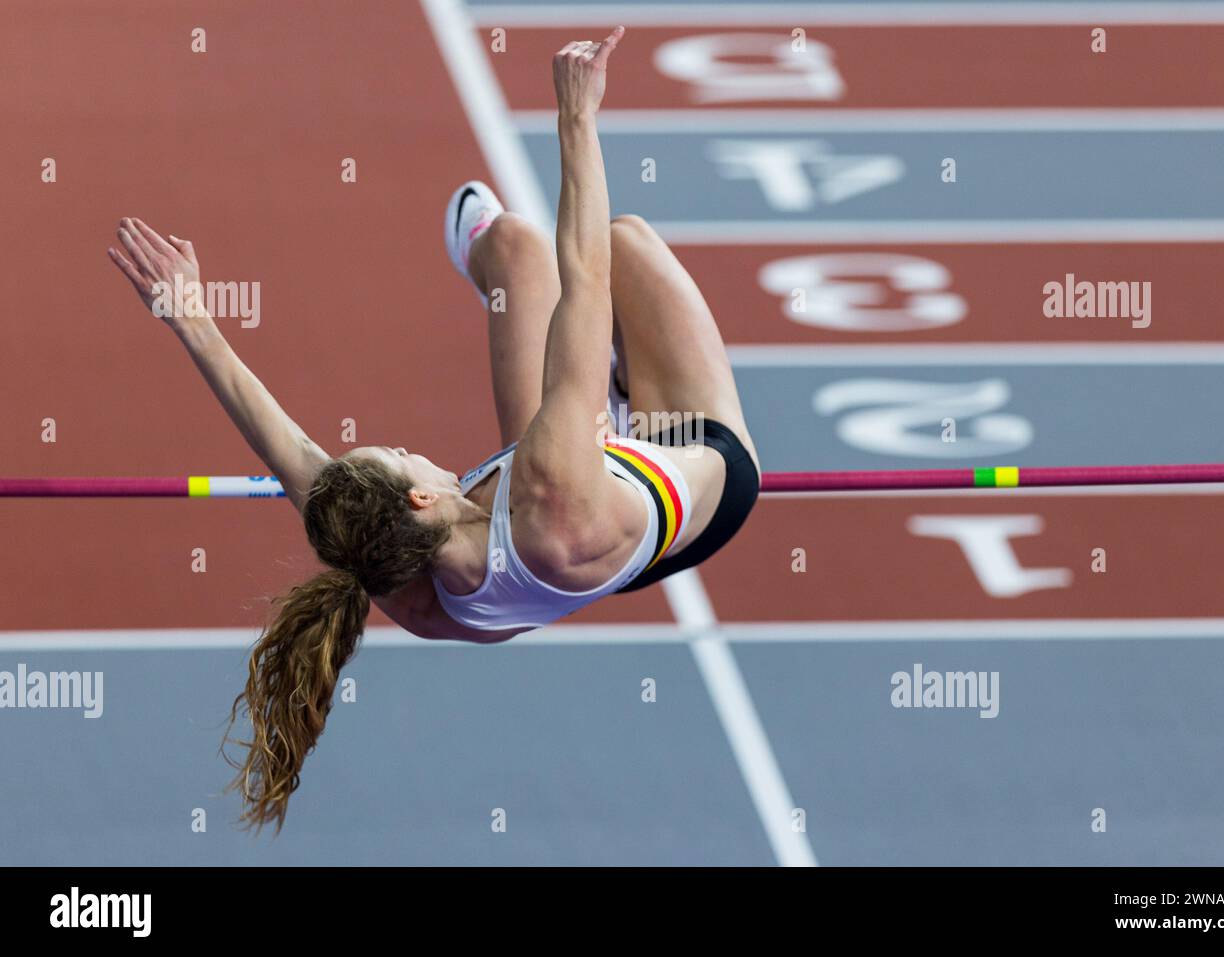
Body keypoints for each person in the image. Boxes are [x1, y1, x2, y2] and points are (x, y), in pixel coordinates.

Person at [107, 26, 760, 832]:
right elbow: (587, 277)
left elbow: (292, 453)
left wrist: (193, 318)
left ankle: (493, 246)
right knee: (622, 243)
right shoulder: (552, 485)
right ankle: (619, 387)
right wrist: (577, 116)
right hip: (684, 452)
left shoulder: (391, 563)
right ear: (419, 492)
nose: (411, 443)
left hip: (558, 489)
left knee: (521, 253)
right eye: (399, 451)